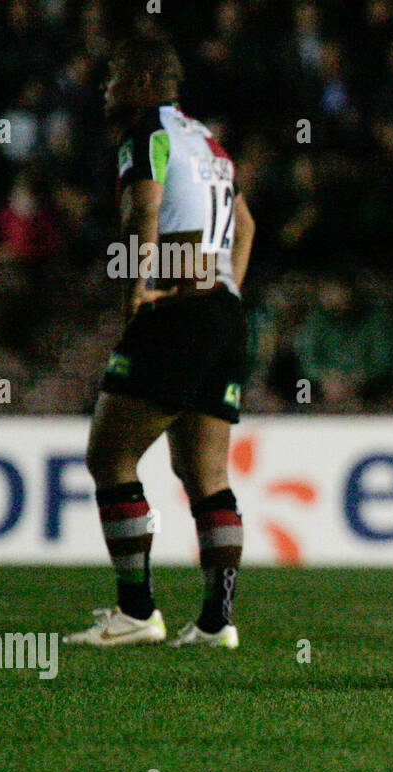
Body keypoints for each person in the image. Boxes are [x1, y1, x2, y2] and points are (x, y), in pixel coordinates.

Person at [65, 36, 255, 649]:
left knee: (108, 457)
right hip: (223, 312)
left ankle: (136, 611)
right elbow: (245, 224)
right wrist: (226, 288)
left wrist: (133, 293)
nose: (105, 86)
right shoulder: (206, 139)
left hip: (176, 311)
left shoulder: (146, 132)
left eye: (114, 73)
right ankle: (217, 622)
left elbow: (141, 213)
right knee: (204, 471)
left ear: (145, 80)